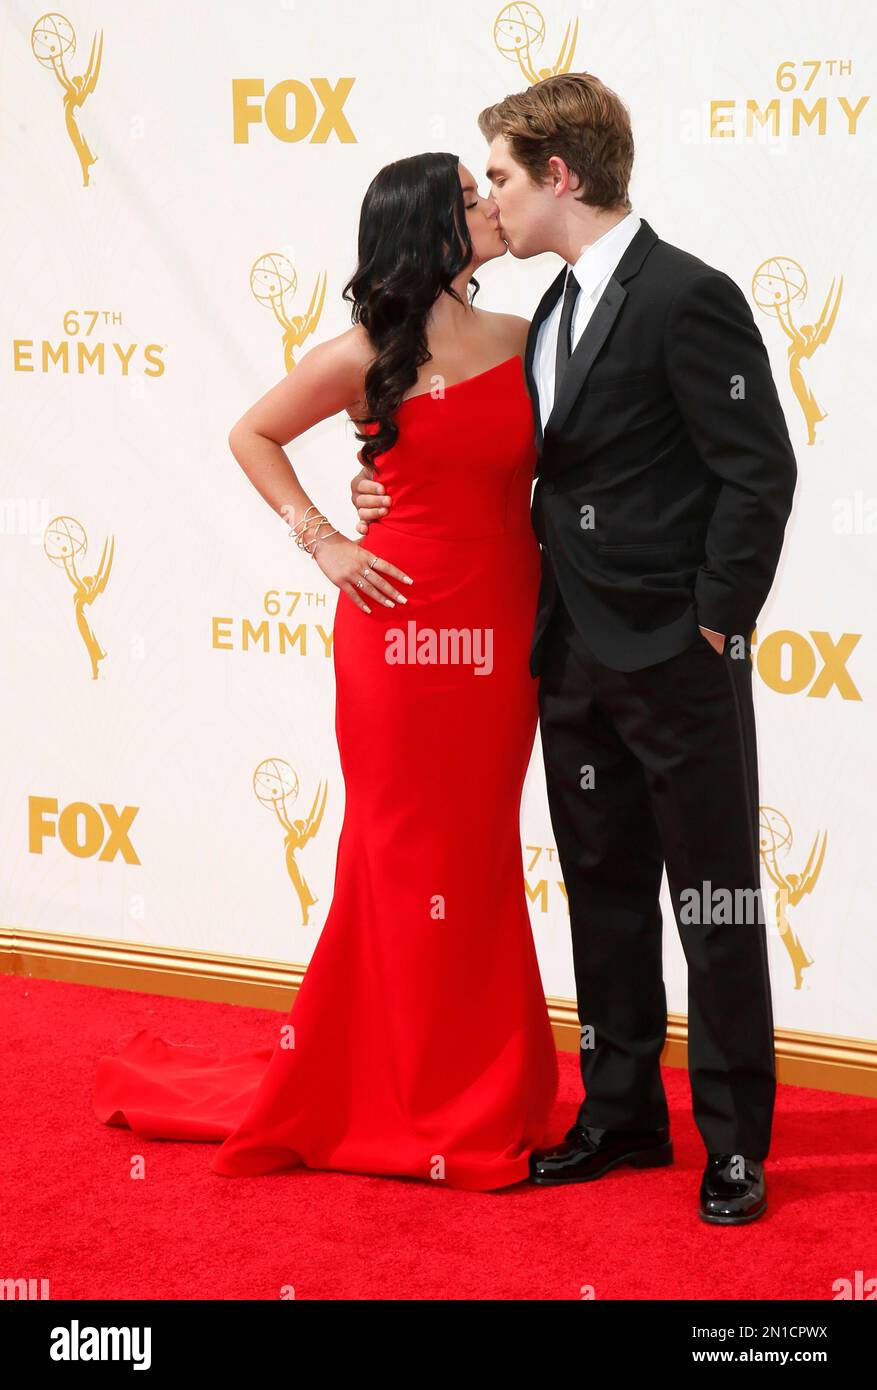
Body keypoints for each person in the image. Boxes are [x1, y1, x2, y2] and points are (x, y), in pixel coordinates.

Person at [351, 74, 798, 1223]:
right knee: (602, 893)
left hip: (676, 655)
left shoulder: (686, 295)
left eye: (496, 174)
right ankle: (619, 1117)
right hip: (566, 651)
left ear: (560, 174)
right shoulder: (541, 311)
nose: (485, 198)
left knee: (715, 902)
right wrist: (381, 481)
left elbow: (760, 470)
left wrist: (714, 620)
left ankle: (736, 1142)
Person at [92, 151, 559, 1191]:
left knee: (477, 854)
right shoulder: (360, 354)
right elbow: (251, 431)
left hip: (500, 637)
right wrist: (325, 537)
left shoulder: (528, 341)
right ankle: (382, 1088)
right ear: (427, 229)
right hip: (397, 636)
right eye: (469, 201)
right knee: (397, 855)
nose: (489, 209)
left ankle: (482, 1084)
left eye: (487, 195)